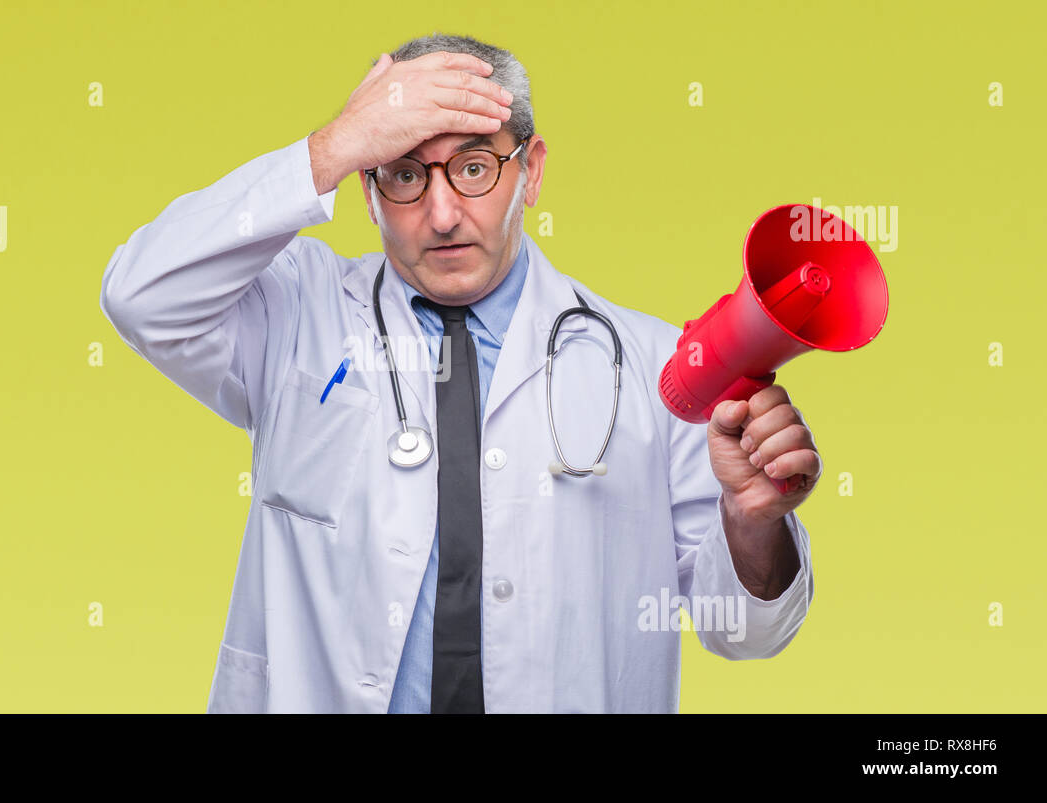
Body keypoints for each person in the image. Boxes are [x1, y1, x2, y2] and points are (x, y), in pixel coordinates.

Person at [99, 33, 819, 714]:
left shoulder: (656, 367)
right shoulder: (296, 313)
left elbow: (748, 632)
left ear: (530, 171)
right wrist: (336, 143)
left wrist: (751, 521)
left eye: (474, 168)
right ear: (369, 190)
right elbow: (141, 296)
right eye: (406, 174)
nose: (442, 214)